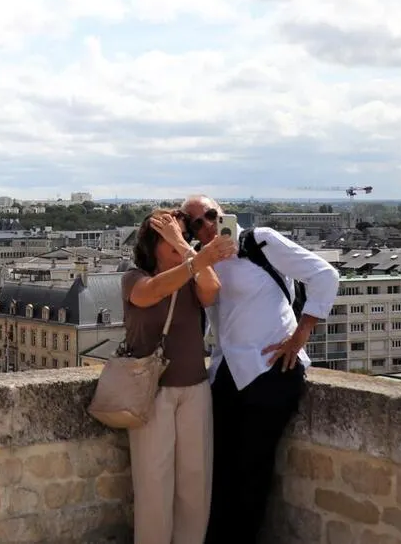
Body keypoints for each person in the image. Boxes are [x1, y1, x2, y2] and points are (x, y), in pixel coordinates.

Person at [179, 195, 340, 544]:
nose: (207, 225)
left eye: (211, 215)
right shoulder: (204, 261)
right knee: (220, 470)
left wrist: (299, 336)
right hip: (228, 373)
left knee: (251, 470)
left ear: (223, 213)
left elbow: (325, 275)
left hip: (270, 371)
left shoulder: (260, 241)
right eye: (196, 223)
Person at [122, 209, 237, 544]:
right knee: (153, 485)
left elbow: (211, 289)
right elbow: (152, 292)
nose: (180, 241)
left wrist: (183, 246)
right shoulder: (134, 277)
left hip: (194, 389)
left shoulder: (193, 276)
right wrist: (194, 258)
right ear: (152, 244)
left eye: (183, 236)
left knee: (195, 483)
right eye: (170, 237)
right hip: (151, 393)